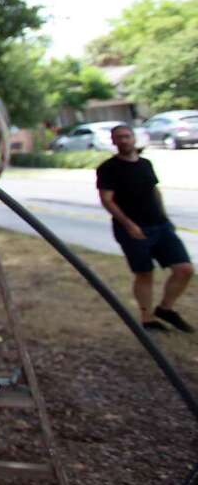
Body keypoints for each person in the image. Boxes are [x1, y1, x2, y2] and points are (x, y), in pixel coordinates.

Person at [97, 123, 194, 333]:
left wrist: (165, 217)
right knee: (144, 273)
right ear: (113, 141)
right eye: (119, 137)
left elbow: (154, 190)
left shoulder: (145, 164)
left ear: (134, 138)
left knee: (184, 269)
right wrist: (129, 224)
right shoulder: (108, 168)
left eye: (127, 136)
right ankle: (147, 318)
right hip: (132, 229)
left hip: (160, 225)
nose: (124, 140)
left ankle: (165, 309)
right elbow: (107, 200)